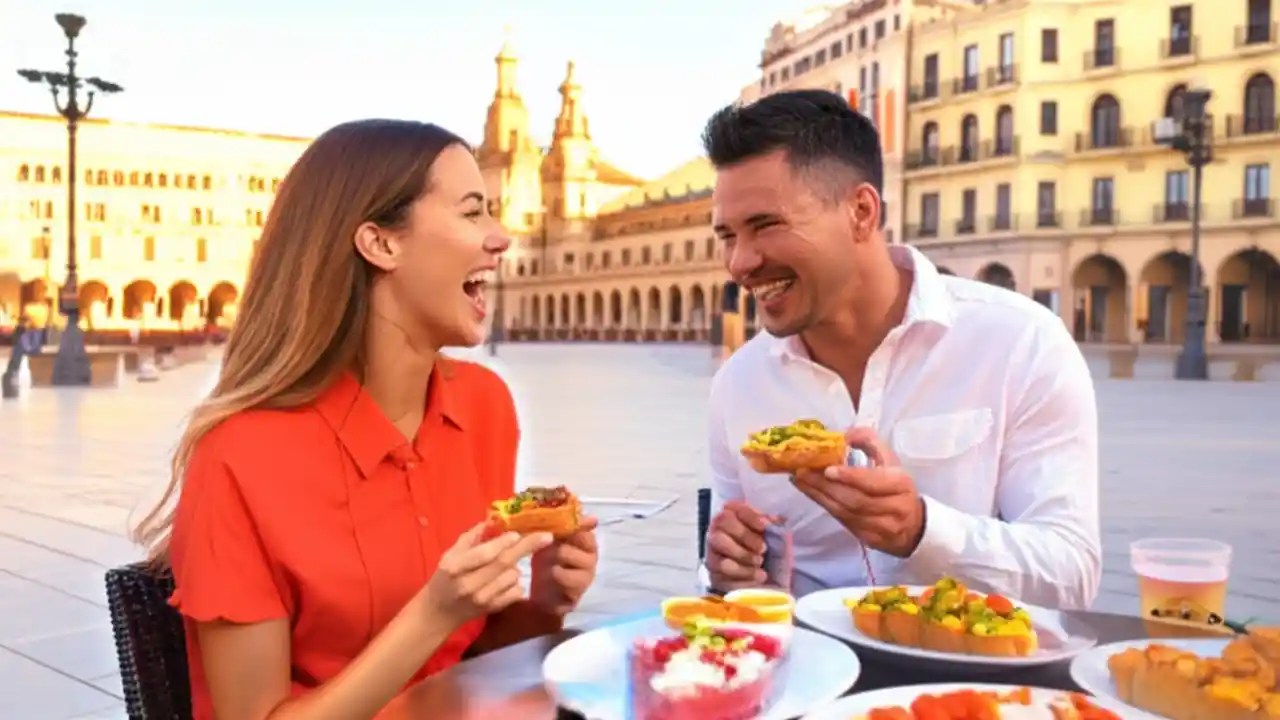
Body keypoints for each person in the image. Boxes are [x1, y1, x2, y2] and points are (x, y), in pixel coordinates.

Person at [131, 119, 599, 720]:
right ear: (381, 243)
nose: (501, 237)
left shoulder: (485, 405)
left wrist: (541, 603)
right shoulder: (239, 457)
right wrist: (433, 613)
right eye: (472, 212)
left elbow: (473, 661)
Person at [699, 90, 1100, 610]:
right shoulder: (739, 386)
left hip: (965, 678)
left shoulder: (1020, 343)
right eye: (727, 235)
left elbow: (1070, 575)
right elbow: (733, 590)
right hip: (805, 675)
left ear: (861, 212)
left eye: (766, 226)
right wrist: (732, 569)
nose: (739, 263)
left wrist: (921, 530)